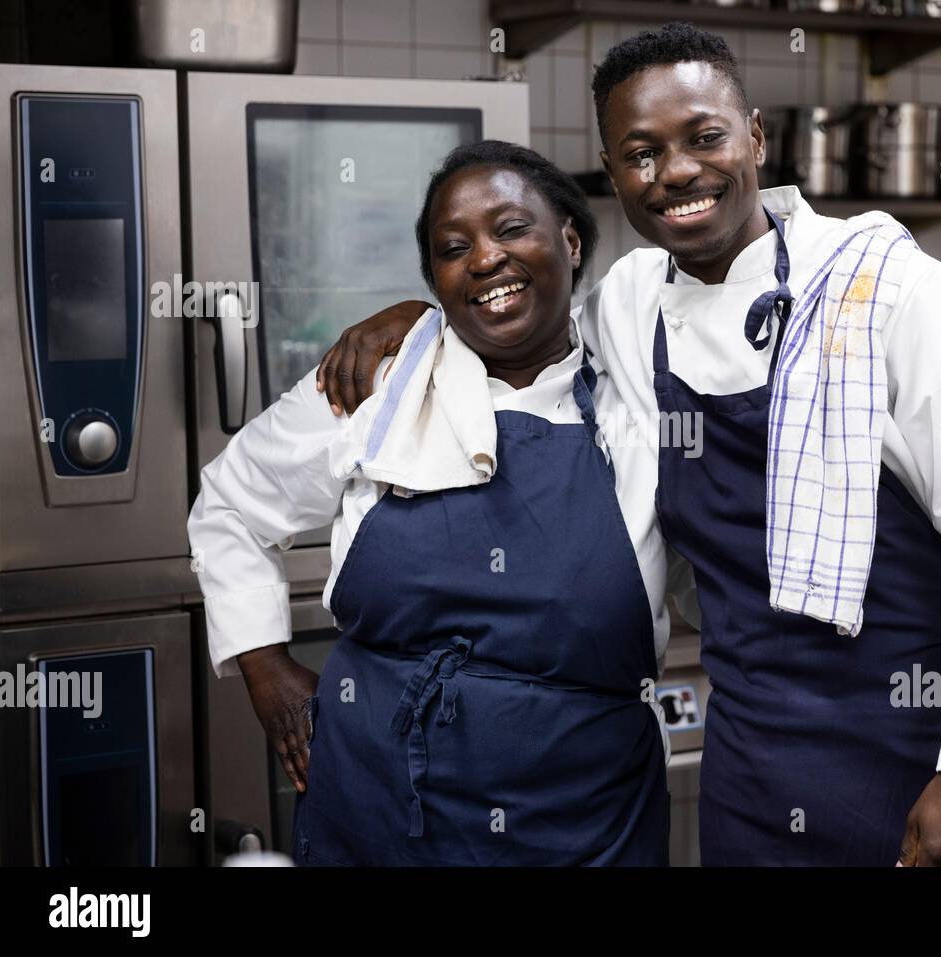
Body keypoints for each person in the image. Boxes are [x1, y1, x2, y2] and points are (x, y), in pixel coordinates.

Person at [317, 22, 941, 866]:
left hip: (913, 753)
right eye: (640, 153)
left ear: (754, 137)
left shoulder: (897, 298)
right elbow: (513, 313)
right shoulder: (633, 307)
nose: (674, 172)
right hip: (748, 763)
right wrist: (420, 323)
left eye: (704, 137)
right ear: (613, 176)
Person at [188, 141, 679, 866]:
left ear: (570, 241)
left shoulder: (639, 388)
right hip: (381, 810)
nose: (484, 259)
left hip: (584, 819)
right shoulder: (380, 384)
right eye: (454, 248)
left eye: (511, 229)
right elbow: (230, 503)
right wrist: (266, 669)